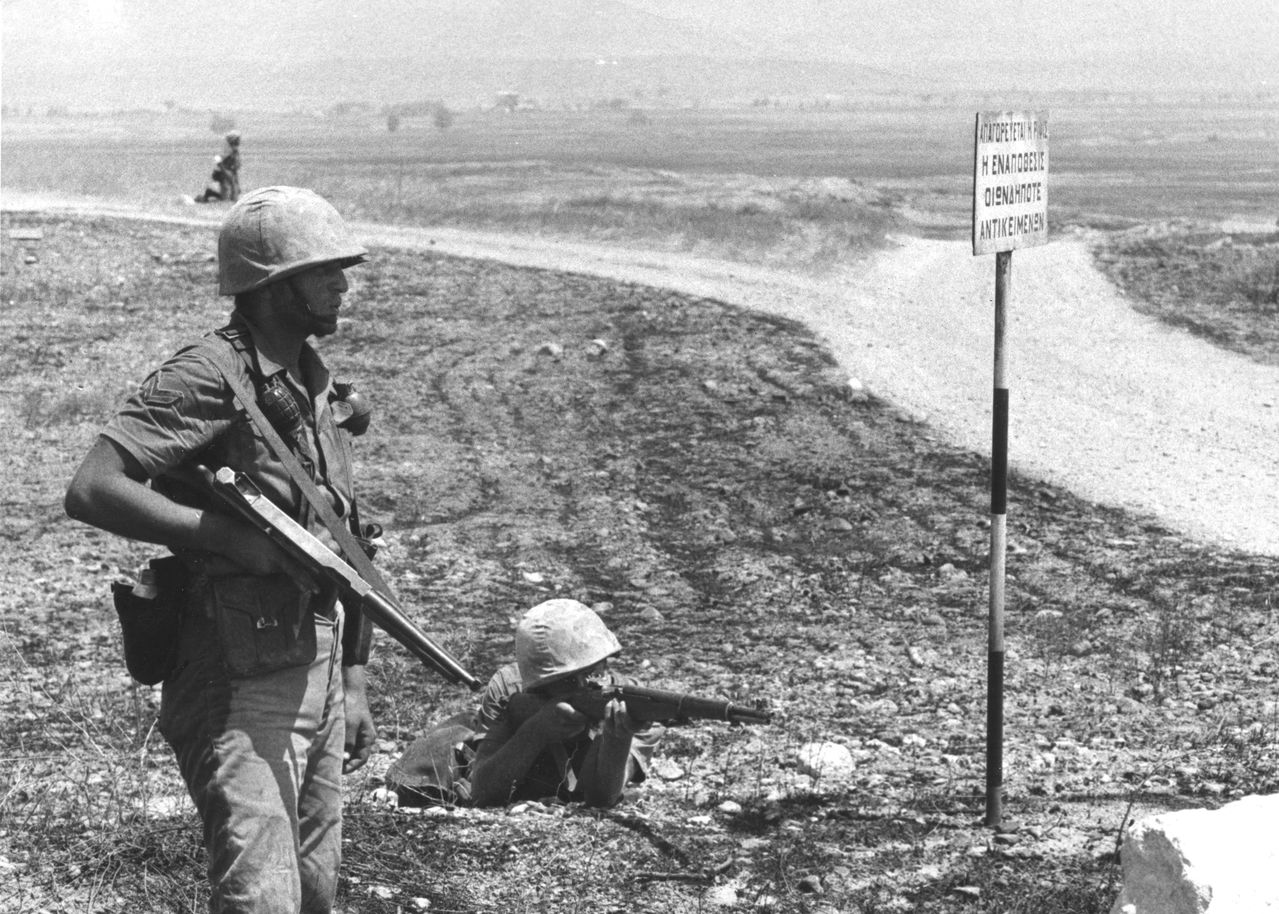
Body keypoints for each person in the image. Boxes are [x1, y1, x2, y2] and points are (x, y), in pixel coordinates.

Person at [65, 186, 377, 914]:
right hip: (237, 671)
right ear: (271, 284)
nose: (342, 283)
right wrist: (225, 538)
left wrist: (354, 682)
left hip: (316, 657)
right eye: (324, 269)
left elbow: (344, 539)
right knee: (260, 897)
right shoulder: (210, 375)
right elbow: (93, 486)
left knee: (314, 892)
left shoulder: (308, 377)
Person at [387, 599, 662, 809]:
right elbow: (482, 792)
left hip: (577, 780)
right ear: (537, 683)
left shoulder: (633, 702)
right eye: (567, 681)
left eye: (594, 673)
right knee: (450, 740)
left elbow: (603, 797)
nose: (584, 687)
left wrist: (617, 738)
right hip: (514, 772)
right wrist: (536, 730)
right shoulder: (511, 689)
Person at [219, 131, 242, 202]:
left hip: (231, 173)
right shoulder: (230, 151)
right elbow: (222, 163)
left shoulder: (234, 150)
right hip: (228, 173)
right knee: (229, 194)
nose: (239, 141)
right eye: (238, 139)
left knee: (234, 192)